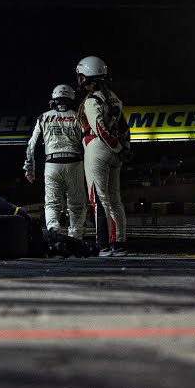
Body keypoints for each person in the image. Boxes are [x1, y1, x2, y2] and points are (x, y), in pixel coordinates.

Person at [75, 56, 132, 257]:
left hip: (97, 148)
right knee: (115, 199)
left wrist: (116, 147)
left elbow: (99, 128)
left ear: (86, 77)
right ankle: (119, 244)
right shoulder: (114, 97)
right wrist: (124, 148)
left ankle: (103, 245)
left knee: (99, 199)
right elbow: (125, 127)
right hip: (115, 152)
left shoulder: (91, 100)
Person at [24, 84, 90, 241]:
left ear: (54, 100)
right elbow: (88, 142)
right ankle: (76, 237)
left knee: (52, 203)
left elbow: (31, 144)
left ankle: (53, 234)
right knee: (77, 204)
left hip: (52, 164)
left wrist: (29, 168)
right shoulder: (79, 116)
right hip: (75, 162)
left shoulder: (43, 117)